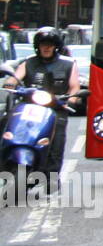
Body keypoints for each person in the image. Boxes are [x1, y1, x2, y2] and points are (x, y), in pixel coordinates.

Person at [5, 26, 80, 176]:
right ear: (37, 46)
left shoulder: (69, 64)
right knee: (7, 125)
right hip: (29, 107)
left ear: (56, 46)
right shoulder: (29, 62)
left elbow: (75, 87)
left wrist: (71, 99)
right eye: (43, 44)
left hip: (56, 109)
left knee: (56, 142)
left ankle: (51, 178)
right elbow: (14, 78)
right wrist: (10, 83)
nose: (46, 47)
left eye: (50, 44)